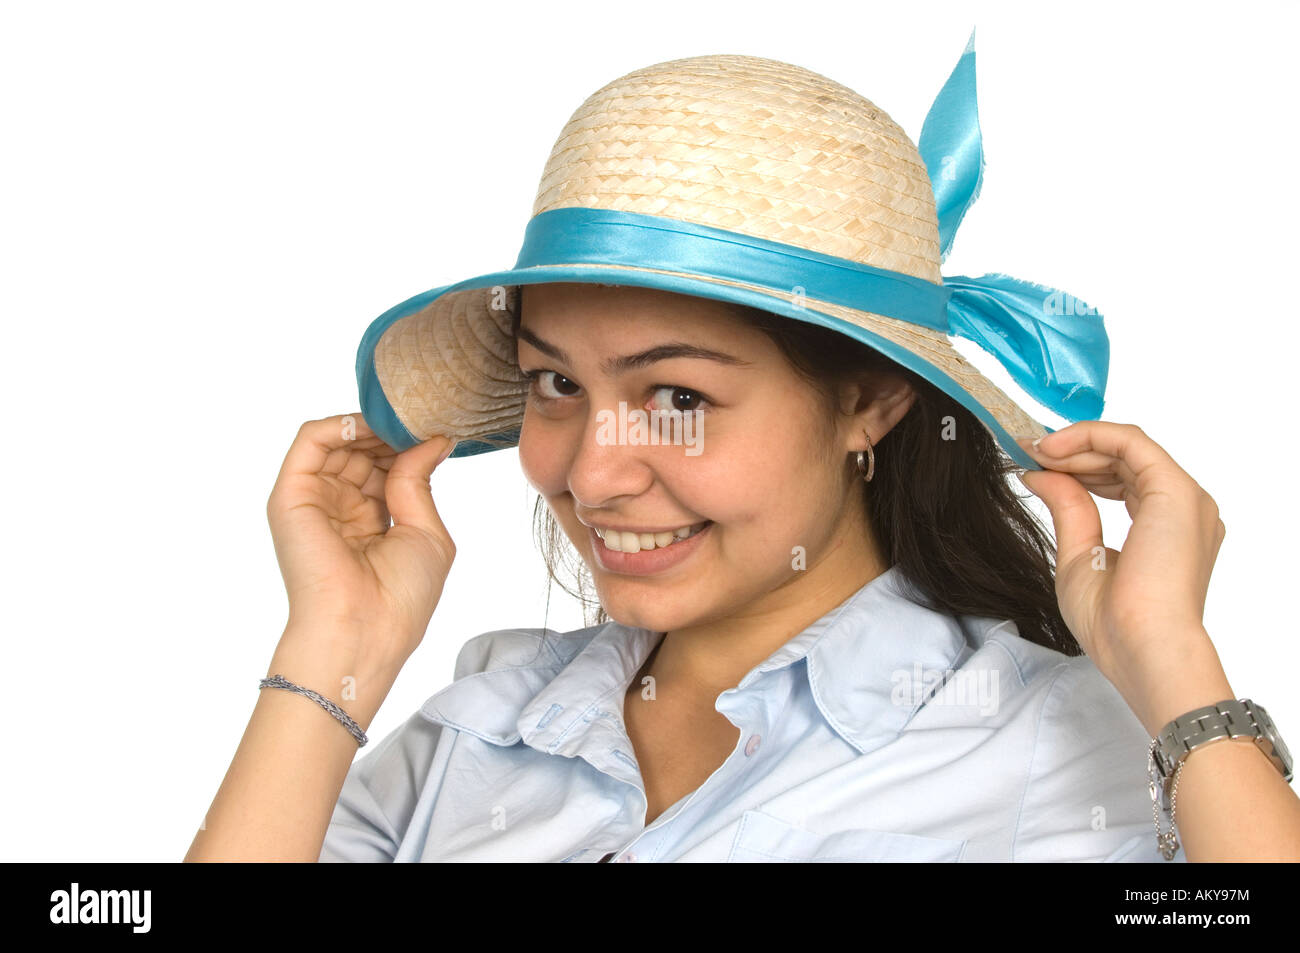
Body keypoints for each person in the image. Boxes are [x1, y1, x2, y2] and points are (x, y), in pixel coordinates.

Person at [185, 39, 1299, 863]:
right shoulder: (481, 727)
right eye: (555, 382)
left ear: (868, 401)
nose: (591, 470)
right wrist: (334, 652)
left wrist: (1172, 665)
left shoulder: (1041, 741)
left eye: (678, 393)